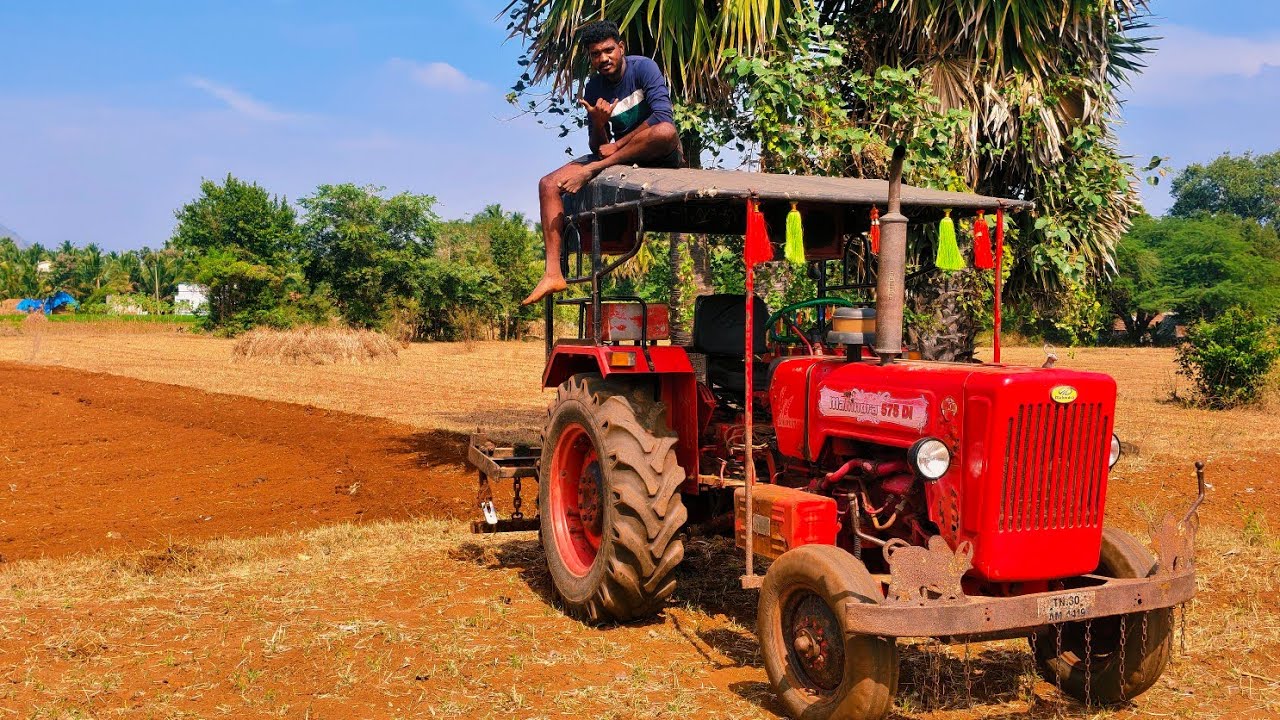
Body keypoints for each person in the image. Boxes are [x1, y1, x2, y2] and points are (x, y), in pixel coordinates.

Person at [521, 20, 682, 306]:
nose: (603, 58)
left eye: (608, 50)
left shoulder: (643, 68)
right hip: (618, 160)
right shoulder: (594, 86)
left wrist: (614, 148)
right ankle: (552, 273)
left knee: (667, 132)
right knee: (547, 184)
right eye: (596, 54)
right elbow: (597, 146)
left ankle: (592, 170)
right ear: (590, 57)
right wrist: (598, 123)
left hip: (657, 153)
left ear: (621, 48)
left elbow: (662, 117)